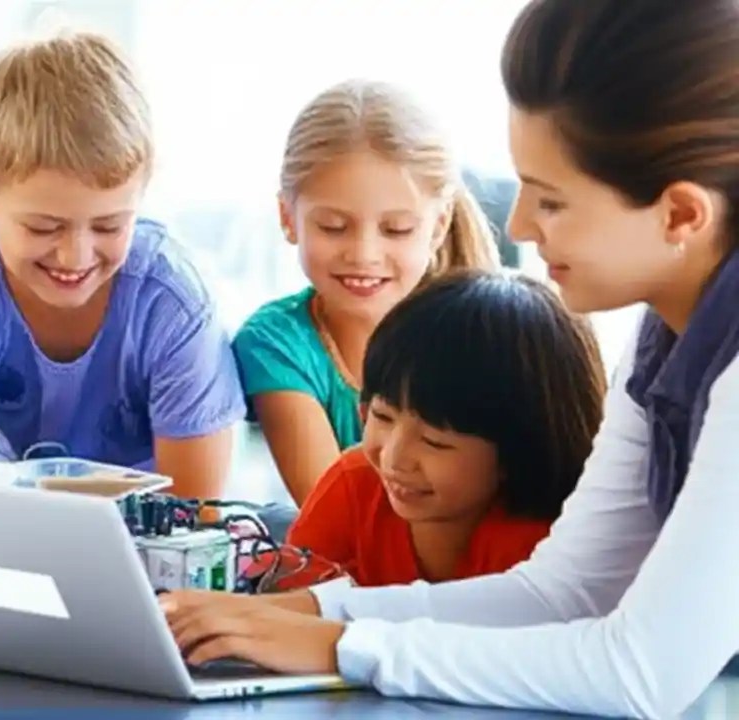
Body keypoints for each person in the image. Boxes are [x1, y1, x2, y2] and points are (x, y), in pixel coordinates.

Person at [161, 0, 739, 716]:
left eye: (552, 201)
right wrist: (313, 611)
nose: (520, 223)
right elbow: (561, 591)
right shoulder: (665, 336)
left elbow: (640, 673)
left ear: (681, 214)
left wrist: (344, 646)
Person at [0, 30, 245, 498]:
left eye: (109, 226)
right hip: (17, 523)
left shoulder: (174, 307)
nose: (75, 256)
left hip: (156, 537)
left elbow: (195, 517)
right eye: (44, 228)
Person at [232, 80, 501, 505]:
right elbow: (338, 515)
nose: (364, 254)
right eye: (333, 227)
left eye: (397, 229)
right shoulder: (276, 344)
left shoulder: (487, 338)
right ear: (288, 216)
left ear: (438, 224)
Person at [274, 270, 604, 590]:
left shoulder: (545, 542)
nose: (394, 458)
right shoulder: (353, 485)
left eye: (435, 442)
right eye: (382, 417)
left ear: (521, 453)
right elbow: (291, 605)